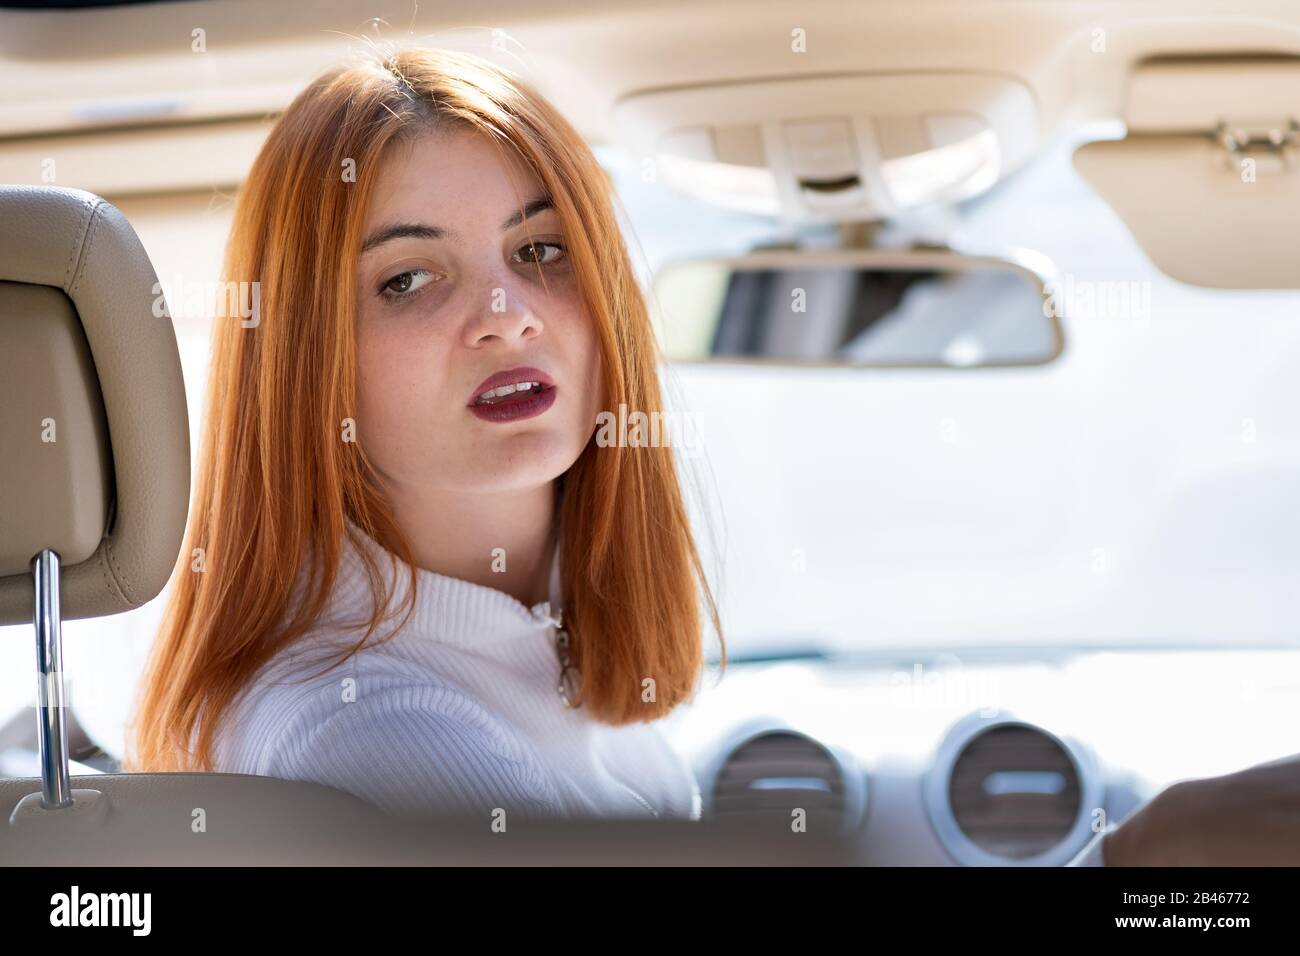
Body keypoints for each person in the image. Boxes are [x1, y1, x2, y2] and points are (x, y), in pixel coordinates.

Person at [126, 47, 723, 822]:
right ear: (308, 359)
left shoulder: (520, 654)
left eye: (540, 250)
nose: (508, 315)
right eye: (406, 279)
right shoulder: (376, 731)